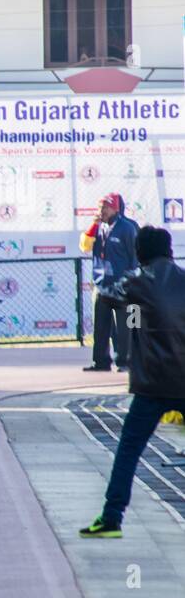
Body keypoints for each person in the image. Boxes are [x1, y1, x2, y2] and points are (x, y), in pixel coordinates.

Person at [81, 226, 185, 538]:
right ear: (169, 250)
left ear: (139, 253)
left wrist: (135, 314)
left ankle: (112, 518)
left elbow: (111, 296)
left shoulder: (137, 281)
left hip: (151, 385)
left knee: (128, 450)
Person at [83, 192, 140, 373]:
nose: (102, 211)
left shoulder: (127, 228)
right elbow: (85, 246)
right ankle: (100, 361)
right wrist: (93, 225)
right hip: (101, 285)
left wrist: (131, 280)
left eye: (105, 208)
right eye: (100, 207)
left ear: (115, 208)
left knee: (124, 327)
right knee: (100, 326)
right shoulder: (98, 228)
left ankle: (124, 361)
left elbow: (134, 256)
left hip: (121, 285)